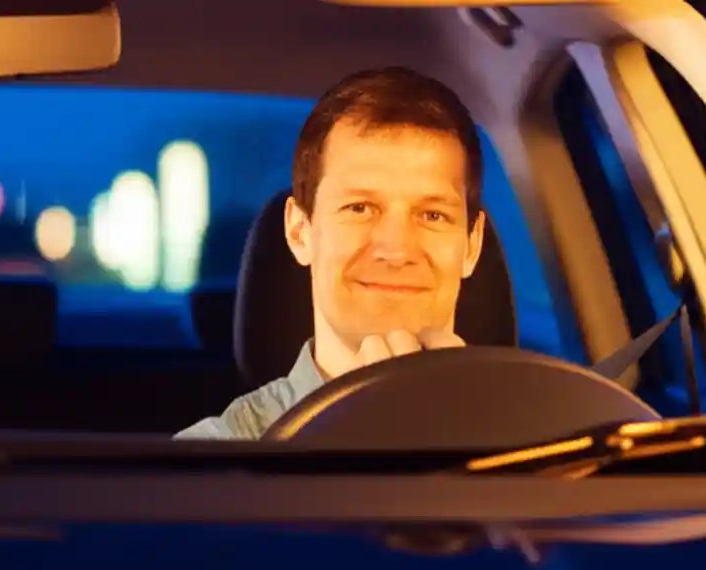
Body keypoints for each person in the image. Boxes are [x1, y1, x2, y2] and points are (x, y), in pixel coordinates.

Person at [176, 66, 487, 440]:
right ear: (299, 232)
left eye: (432, 215)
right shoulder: (217, 455)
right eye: (360, 208)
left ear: (472, 245)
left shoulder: (546, 441)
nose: (396, 249)